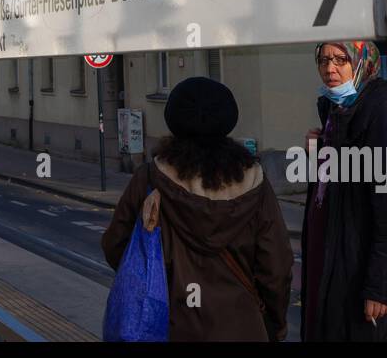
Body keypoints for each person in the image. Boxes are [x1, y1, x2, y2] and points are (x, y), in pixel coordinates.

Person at [101, 77, 293, 341]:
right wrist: (275, 324)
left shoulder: (149, 180)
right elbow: (277, 266)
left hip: (168, 327)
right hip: (242, 327)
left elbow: (115, 246)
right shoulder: (256, 185)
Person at [300, 41, 387, 342]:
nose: (329, 69)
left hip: (357, 261)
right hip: (332, 250)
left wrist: (379, 286)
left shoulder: (379, 108)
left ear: (361, 62)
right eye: (323, 60)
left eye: (341, 60)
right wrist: (318, 150)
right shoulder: (337, 107)